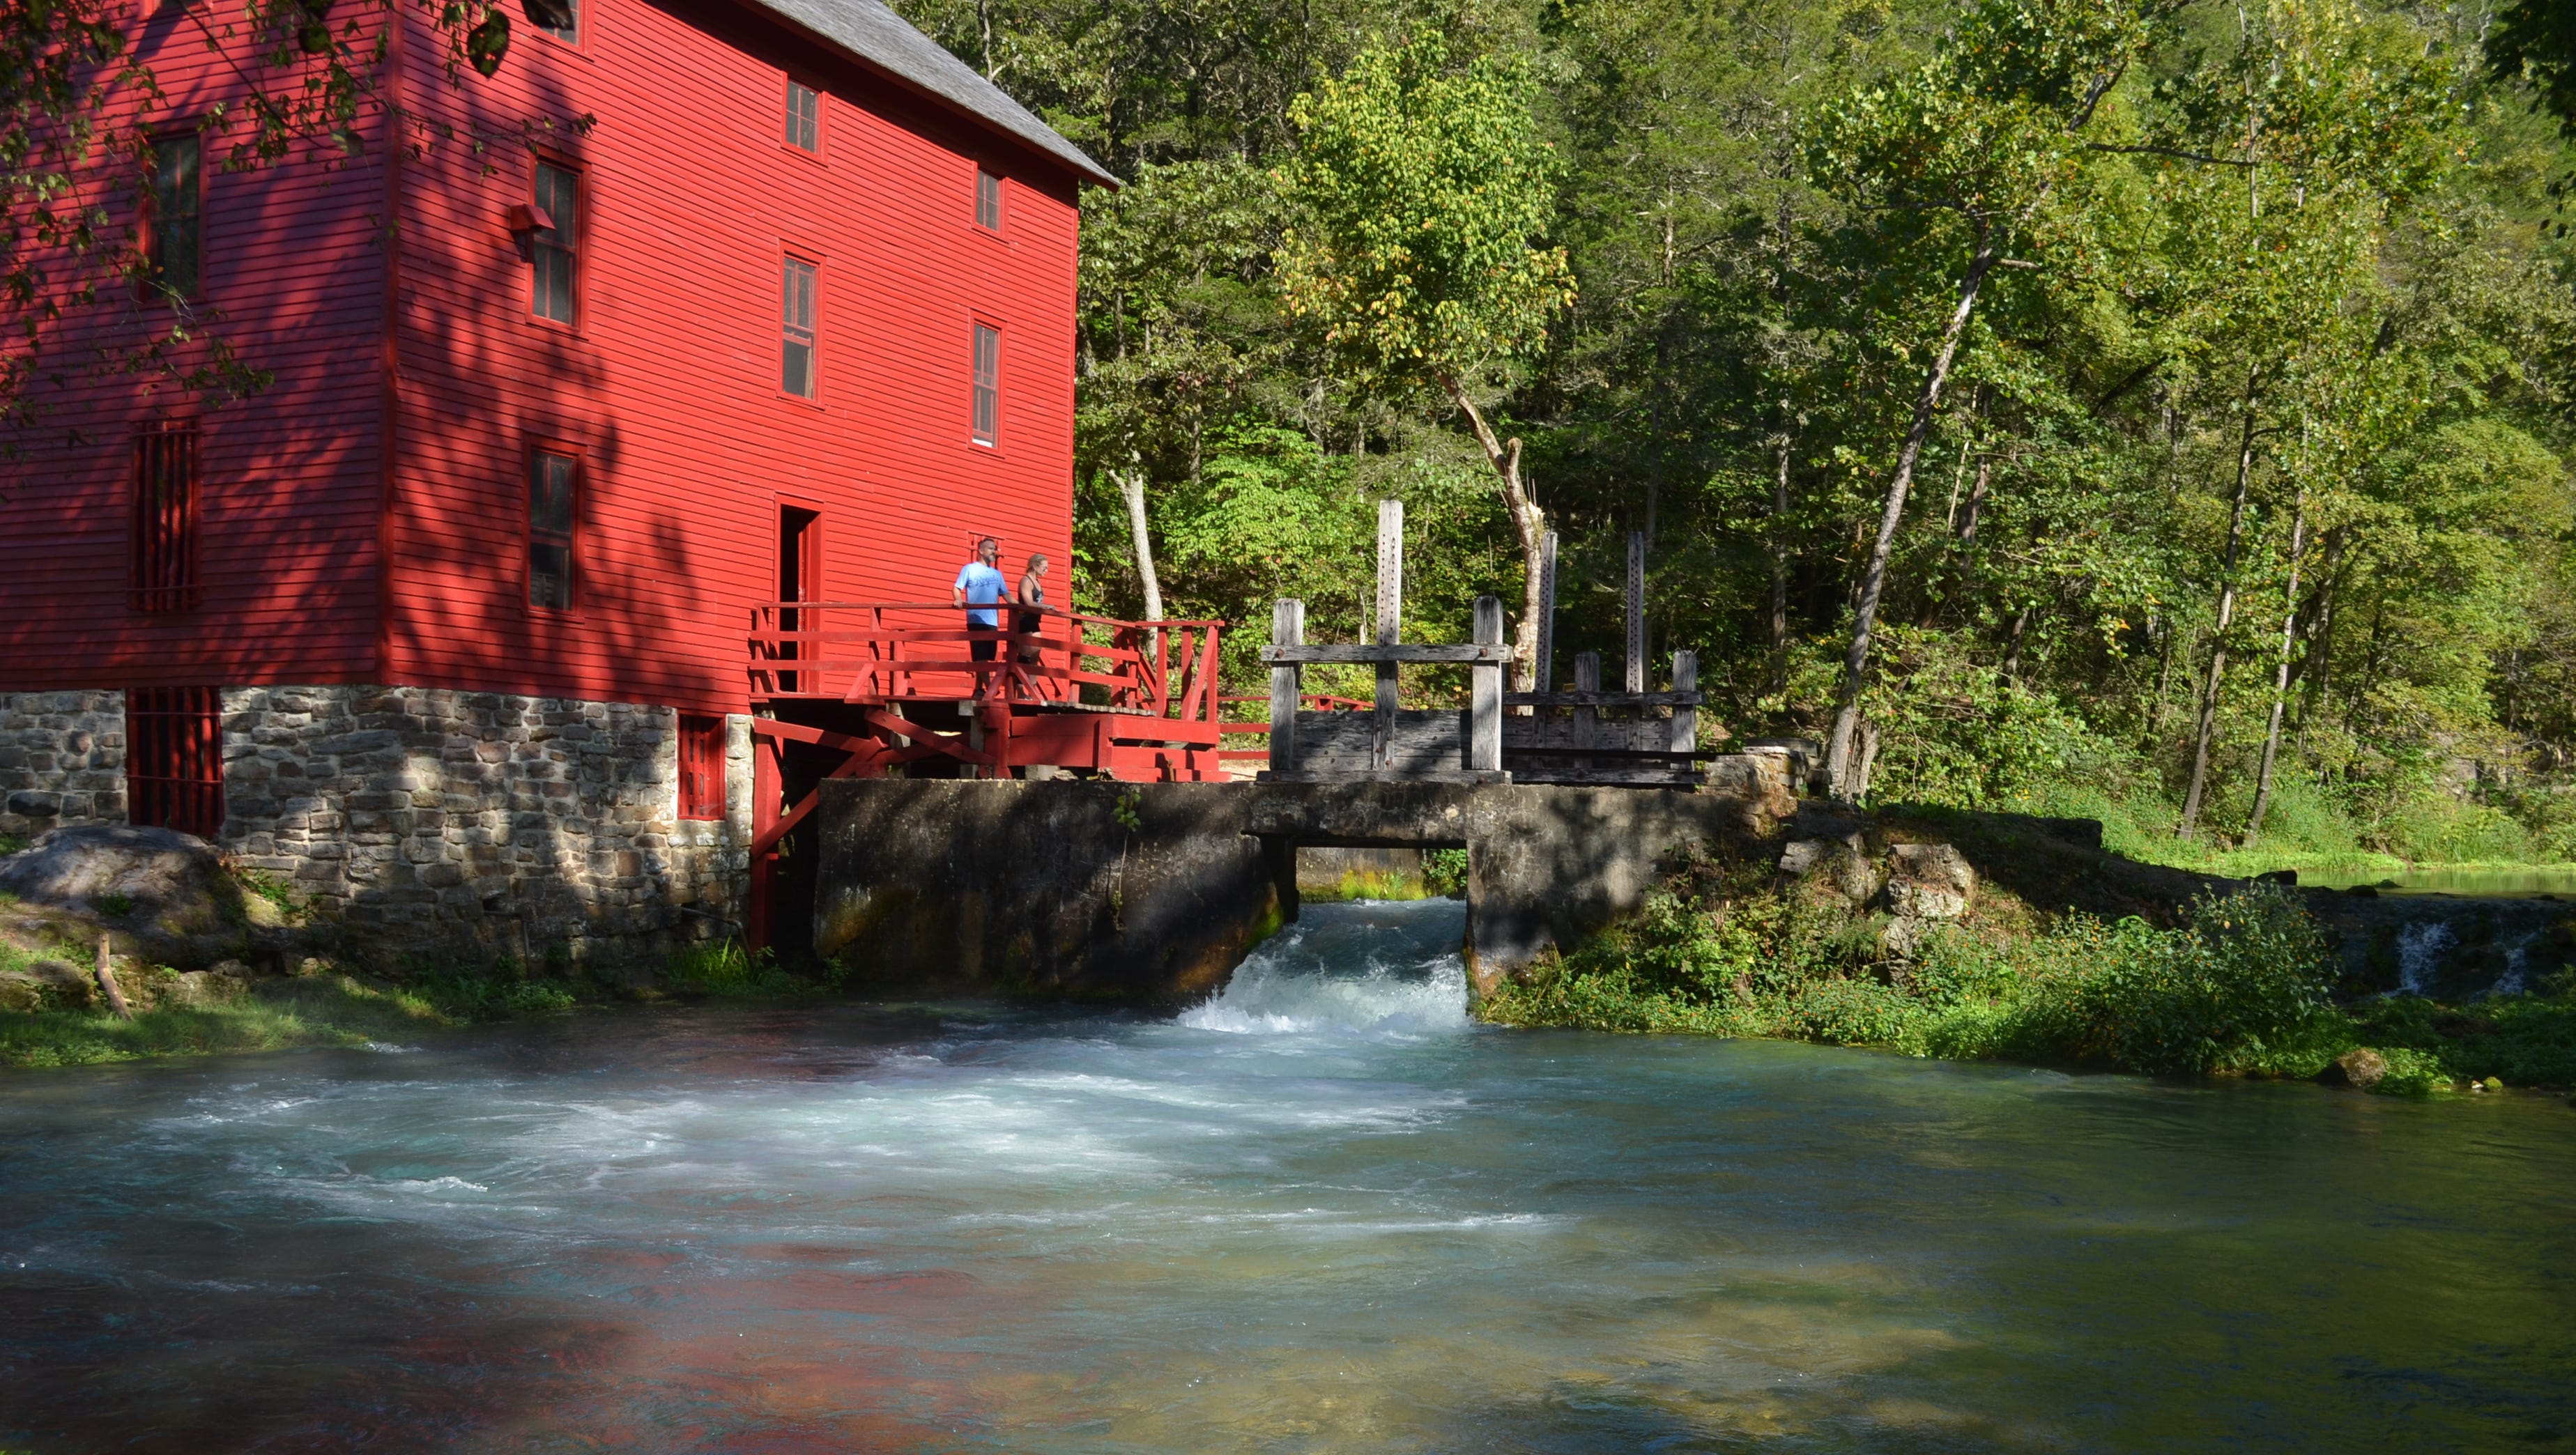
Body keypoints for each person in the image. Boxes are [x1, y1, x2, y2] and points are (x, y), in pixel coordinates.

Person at [951, 537, 1007, 682]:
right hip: (976, 618)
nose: (994, 551)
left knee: (986, 657)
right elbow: (957, 587)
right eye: (990, 548)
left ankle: (978, 690)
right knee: (980, 656)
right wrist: (958, 599)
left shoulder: (997, 574)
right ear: (981, 551)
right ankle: (989, 687)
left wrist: (1021, 607)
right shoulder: (970, 569)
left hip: (992, 621)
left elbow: (1006, 594)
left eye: (995, 549)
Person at [1013, 553, 1051, 687]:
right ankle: (1020, 690)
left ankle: (1032, 688)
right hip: (1024, 621)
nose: (1046, 571)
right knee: (1024, 656)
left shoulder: (1037, 582)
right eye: (1044, 568)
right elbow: (1029, 602)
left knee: (1036, 654)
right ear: (1035, 566)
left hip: (1035, 621)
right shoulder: (1026, 581)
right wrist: (1046, 606)